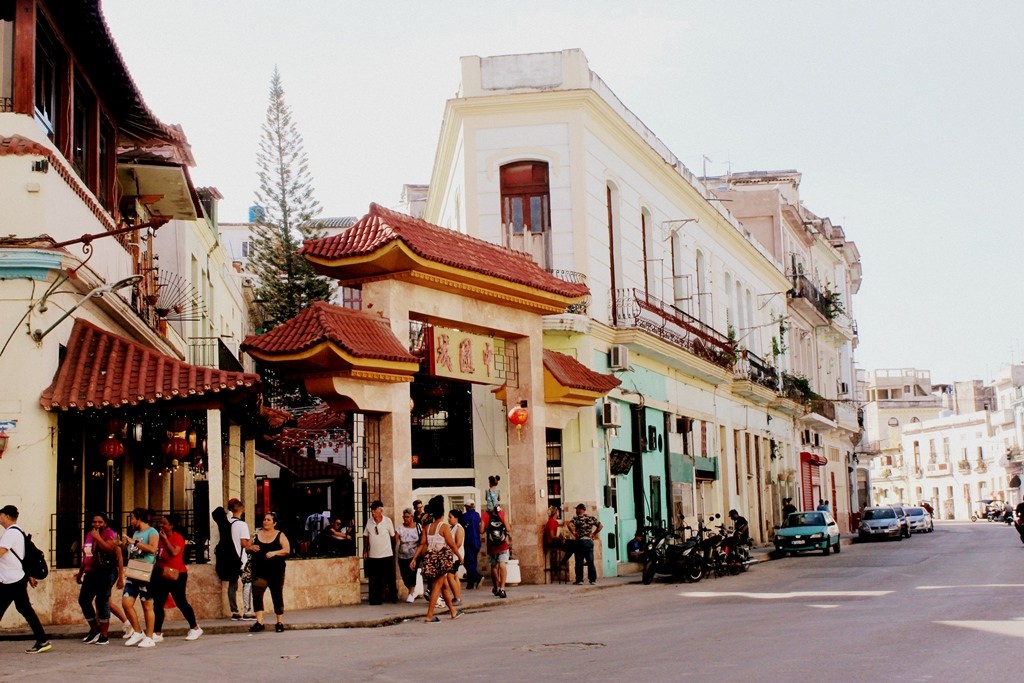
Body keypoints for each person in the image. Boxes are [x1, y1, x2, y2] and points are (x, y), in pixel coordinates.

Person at [0, 504, 50, 654]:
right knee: (24, 608)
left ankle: (42, 640)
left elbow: (1, 552)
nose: (0, 518)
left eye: (1, 515)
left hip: (11, 579)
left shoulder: (11, 533)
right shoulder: (17, 532)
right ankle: (42, 640)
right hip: (14, 578)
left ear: (8, 516)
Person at [150, 514, 202, 642]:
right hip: (162, 574)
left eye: (164, 523)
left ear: (171, 526)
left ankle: (195, 627)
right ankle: (157, 632)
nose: (161, 526)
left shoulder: (177, 537)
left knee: (180, 601)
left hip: (177, 574)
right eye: (160, 523)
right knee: (158, 603)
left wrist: (165, 539)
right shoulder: (158, 539)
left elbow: (174, 552)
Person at [76, 512, 122, 645]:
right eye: (94, 522)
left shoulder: (110, 533)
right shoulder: (89, 535)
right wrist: (80, 573)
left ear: (105, 523)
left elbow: (111, 549)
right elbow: (86, 555)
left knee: (102, 601)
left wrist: (98, 538)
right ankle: (94, 628)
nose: (97, 524)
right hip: (90, 572)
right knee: (84, 600)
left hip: (105, 572)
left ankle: (104, 634)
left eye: (100, 522)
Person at [415, 496, 461, 623]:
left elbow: (421, 544)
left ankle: (453, 611)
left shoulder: (427, 527)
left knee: (444, 586)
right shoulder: (444, 526)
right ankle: (429, 615)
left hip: (430, 559)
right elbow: (452, 544)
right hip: (441, 560)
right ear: (443, 512)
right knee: (437, 586)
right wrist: (460, 557)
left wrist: (414, 559)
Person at [248, 511, 290, 633]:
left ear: (274, 523)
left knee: (277, 594)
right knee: (257, 595)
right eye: (264, 519)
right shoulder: (256, 534)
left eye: (268, 520)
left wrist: (274, 553)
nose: (265, 521)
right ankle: (259, 622)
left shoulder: (280, 535)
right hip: (259, 570)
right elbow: (246, 548)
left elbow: (286, 549)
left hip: (276, 571)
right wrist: (251, 548)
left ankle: (279, 621)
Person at [122, 507, 159, 648]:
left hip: (146, 571)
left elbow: (153, 549)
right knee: (126, 602)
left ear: (139, 518)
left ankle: (149, 637)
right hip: (134, 570)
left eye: (132, 518)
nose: (131, 521)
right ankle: (138, 631)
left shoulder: (152, 532)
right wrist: (124, 544)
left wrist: (135, 543)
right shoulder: (136, 533)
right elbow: (133, 551)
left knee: (147, 605)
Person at [363, 500, 398, 605]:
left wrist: (392, 548)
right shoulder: (369, 522)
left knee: (390, 577)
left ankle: (393, 597)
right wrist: (365, 549)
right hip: (374, 555)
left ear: (380, 510)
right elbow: (366, 535)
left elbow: (393, 536)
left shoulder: (387, 521)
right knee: (374, 579)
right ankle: (375, 599)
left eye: (374, 510)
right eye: (372, 510)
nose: (373, 512)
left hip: (386, 554)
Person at [480, 503, 512, 598]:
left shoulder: (485, 515)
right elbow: (508, 529)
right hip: (502, 545)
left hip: (492, 546)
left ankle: (496, 587)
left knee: (494, 566)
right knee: (502, 565)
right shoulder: (502, 513)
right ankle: (502, 589)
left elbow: (481, 531)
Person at [567, 503, 602, 586]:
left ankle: (579, 580)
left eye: (577, 509)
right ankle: (592, 580)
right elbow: (600, 526)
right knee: (590, 561)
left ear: (580, 510)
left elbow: (568, 524)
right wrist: (594, 534)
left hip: (581, 542)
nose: (576, 511)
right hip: (589, 542)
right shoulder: (591, 518)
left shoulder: (577, 518)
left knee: (579, 561)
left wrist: (573, 533)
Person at [396, 508, 423, 602]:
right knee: (404, 575)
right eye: (404, 517)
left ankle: (411, 593)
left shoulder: (418, 527)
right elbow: (396, 539)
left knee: (412, 573)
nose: (405, 519)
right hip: (402, 555)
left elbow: (422, 541)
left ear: (412, 517)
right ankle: (411, 590)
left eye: (407, 517)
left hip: (414, 555)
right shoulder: (400, 527)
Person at [461, 499, 482, 589]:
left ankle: (477, 577)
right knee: (473, 562)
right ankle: (470, 583)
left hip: (468, 541)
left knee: (468, 562)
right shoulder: (477, 515)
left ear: (466, 507)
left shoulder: (464, 516)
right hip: (477, 541)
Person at [446, 509, 465, 606]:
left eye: (450, 517)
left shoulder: (459, 528)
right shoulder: (451, 528)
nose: (449, 519)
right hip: (452, 555)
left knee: (450, 576)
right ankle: (457, 596)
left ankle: (457, 597)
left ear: (456, 518)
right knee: (455, 576)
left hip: (456, 556)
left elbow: (458, 543)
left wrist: (451, 551)